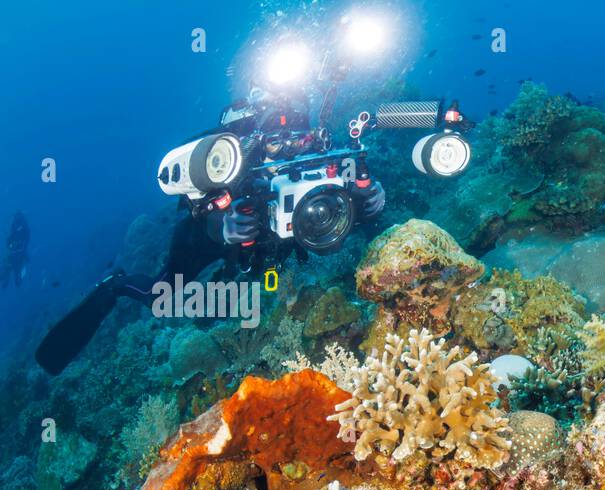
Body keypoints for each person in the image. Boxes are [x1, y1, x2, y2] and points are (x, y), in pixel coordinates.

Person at [34, 92, 386, 377]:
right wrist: (223, 228)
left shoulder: (312, 155)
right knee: (162, 297)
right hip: (205, 235)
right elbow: (195, 207)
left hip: (266, 250)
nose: (287, 145)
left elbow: (334, 214)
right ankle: (116, 285)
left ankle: (240, 270)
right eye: (277, 142)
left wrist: (366, 205)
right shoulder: (231, 155)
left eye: (295, 138)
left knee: (265, 275)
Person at [0, 212, 29, 290]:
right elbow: (8, 241)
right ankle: (7, 283)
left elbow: (24, 242)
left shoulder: (21, 227)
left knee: (15, 277)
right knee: (7, 273)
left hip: (16, 256)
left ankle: (13, 285)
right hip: (13, 256)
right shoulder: (14, 227)